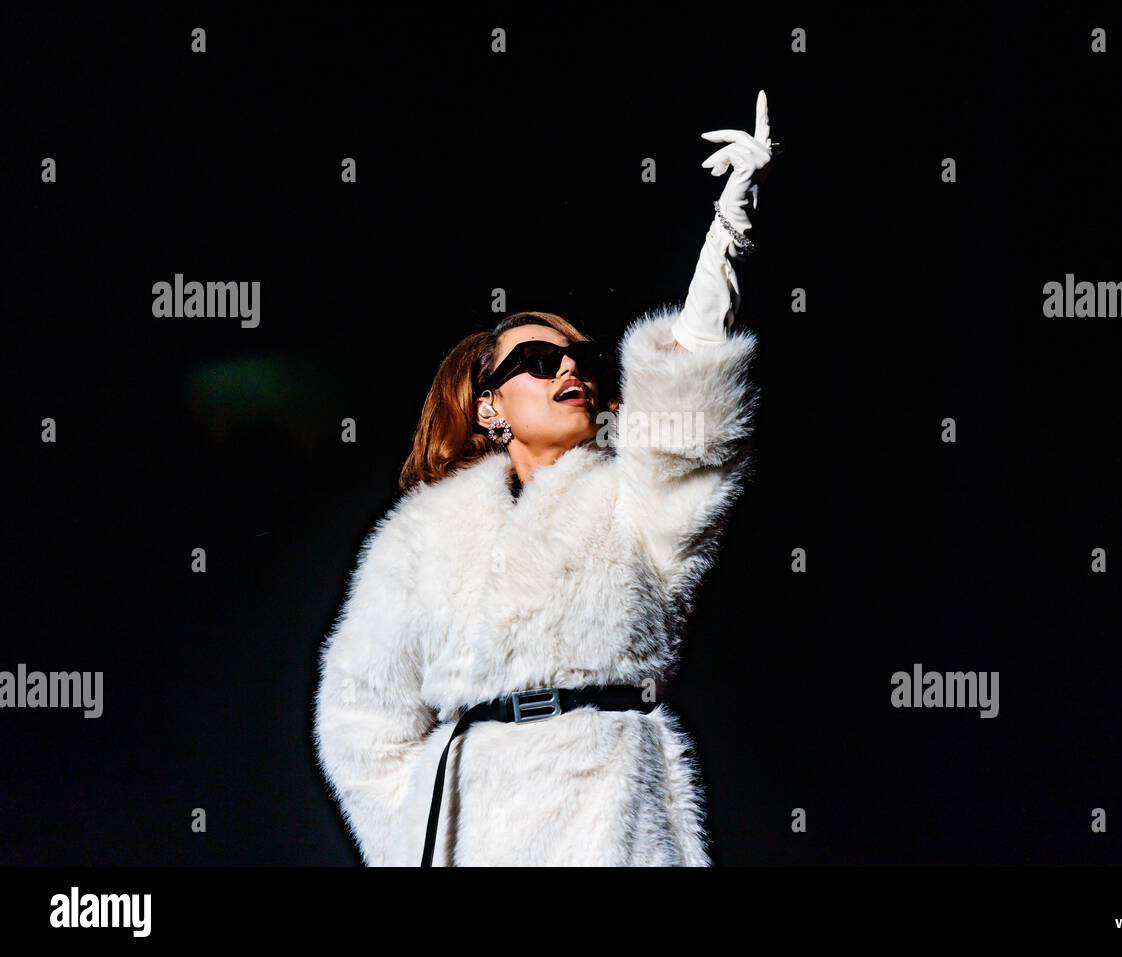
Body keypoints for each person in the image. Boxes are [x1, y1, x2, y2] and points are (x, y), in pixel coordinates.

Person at [314, 91, 779, 866]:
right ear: (490, 405)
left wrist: (728, 230)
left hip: (612, 816)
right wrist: (418, 834)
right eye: (537, 361)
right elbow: (360, 714)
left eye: (581, 361)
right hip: (476, 825)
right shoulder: (424, 535)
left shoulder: (635, 501)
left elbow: (689, 398)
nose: (567, 368)